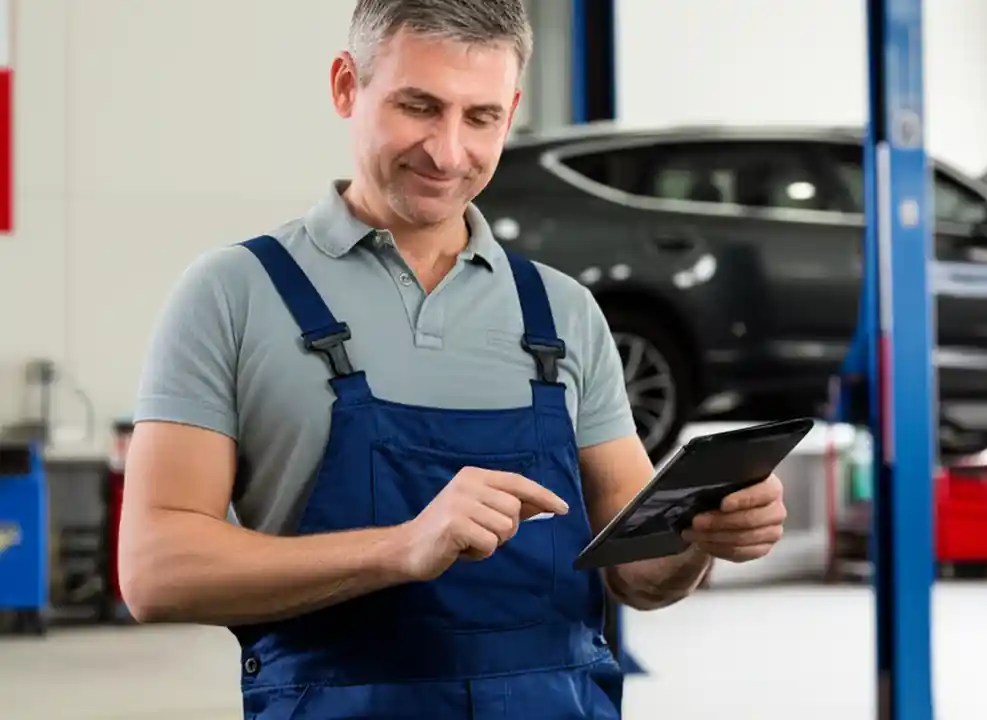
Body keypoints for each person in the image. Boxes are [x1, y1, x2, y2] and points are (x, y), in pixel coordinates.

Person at [119, 1, 789, 718]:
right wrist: (400, 549)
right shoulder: (234, 295)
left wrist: (697, 537)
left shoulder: (563, 314)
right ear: (347, 85)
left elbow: (640, 577)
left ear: (513, 112)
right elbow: (157, 569)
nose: (447, 152)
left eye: (481, 118)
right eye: (419, 106)